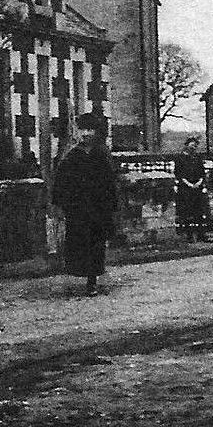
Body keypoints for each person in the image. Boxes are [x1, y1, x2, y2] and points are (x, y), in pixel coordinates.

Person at [51, 112, 119, 297]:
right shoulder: (73, 155)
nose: (86, 134)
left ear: (96, 132)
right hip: (78, 208)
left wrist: (111, 206)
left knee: (96, 244)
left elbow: (110, 182)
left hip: (98, 208)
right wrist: (61, 203)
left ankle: (92, 281)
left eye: (90, 130)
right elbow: (61, 180)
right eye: (83, 130)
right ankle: (82, 274)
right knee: (80, 243)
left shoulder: (101, 153)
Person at [174, 137, 210, 243]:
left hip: (197, 189)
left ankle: (201, 235)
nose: (193, 147)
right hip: (185, 189)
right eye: (191, 145)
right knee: (188, 213)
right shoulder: (180, 158)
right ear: (187, 145)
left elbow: (202, 173)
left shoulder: (197, 158)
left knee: (199, 212)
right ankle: (189, 236)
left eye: (195, 145)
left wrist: (199, 182)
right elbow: (179, 174)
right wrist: (188, 184)